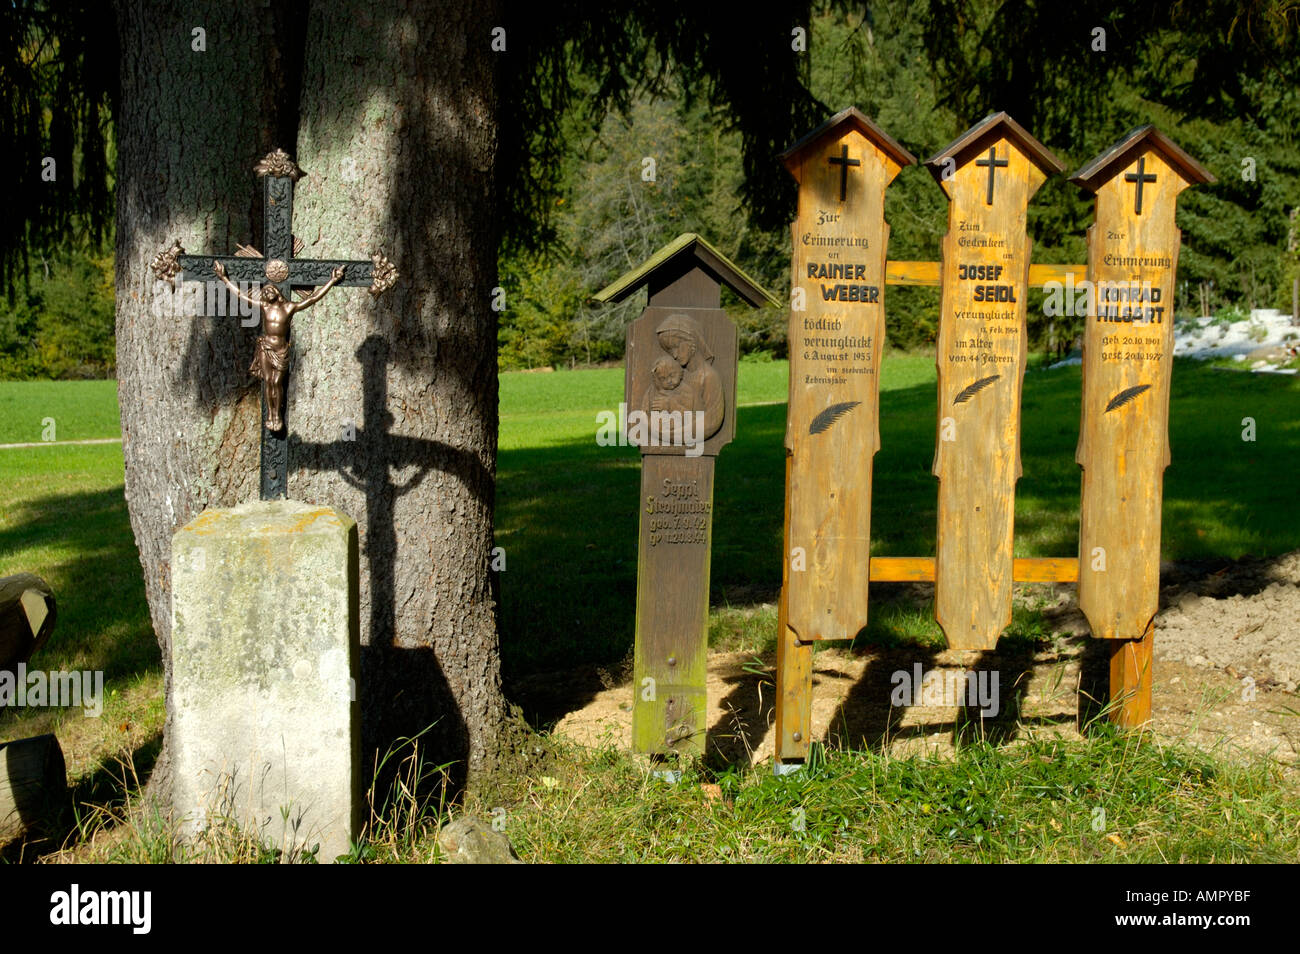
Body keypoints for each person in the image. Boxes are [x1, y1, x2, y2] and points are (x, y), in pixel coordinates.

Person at [213, 261, 346, 431]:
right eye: (265, 291)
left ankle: (278, 413)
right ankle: (272, 415)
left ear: (277, 292)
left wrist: (332, 281)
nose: (267, 292)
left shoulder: (289, 307)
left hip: (281, 349)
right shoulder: (264, 307)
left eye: (270, 290)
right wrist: (224, 279)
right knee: (268, 381)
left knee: (277, 382)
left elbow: (312, 298)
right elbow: (241, 295)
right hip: (265, 347)